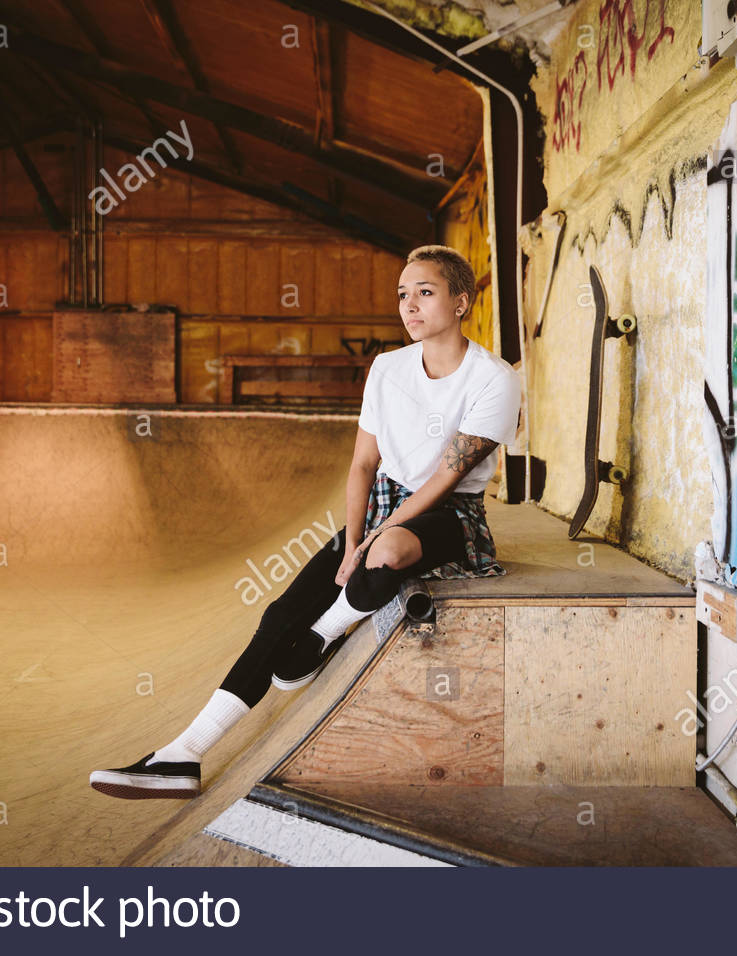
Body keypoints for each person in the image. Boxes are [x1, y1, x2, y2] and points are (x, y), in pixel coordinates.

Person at [90, 244, 523, 799]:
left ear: (461, 302)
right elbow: (363, 464)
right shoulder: (387, 368)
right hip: (382, 507)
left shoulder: (493, 378)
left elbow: (445, 475)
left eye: (425, 292)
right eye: (402, 294)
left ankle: (326, 631)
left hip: (448, 514)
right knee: (278, 616)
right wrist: (350, 543)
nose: (408, 306)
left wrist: (372, 539)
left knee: (387, 553)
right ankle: (184, 753)